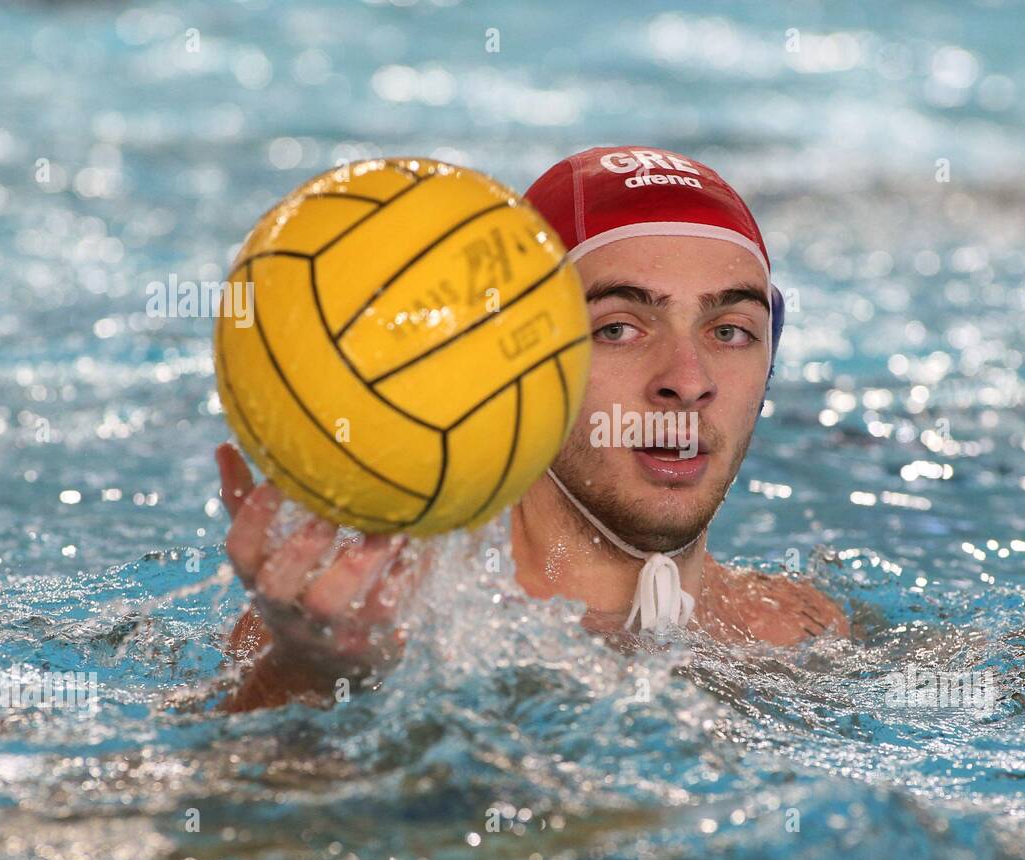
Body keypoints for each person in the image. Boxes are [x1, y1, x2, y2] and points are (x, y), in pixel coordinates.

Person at [216, 145, 850, 712]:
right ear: (516, 361)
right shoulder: (355, 620)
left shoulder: (794, 629)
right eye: (618, 328)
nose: (688, 380)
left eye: (730, 332)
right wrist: (303, 677)